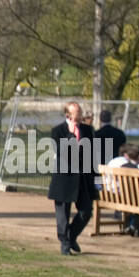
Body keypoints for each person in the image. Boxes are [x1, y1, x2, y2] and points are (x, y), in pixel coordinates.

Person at [48, 101, 98, 256]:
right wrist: (70, 134)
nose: (80, 114)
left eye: (80, 111)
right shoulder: (58, 131)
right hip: (65, 178)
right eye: (77, 112)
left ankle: (71, 236)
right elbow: (63, 152)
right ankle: (64, 245)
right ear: (68, 114)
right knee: (62, 214)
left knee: (86, 211)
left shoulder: (88, 130)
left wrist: (96, 179)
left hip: (83, 178)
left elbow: (92, 155)